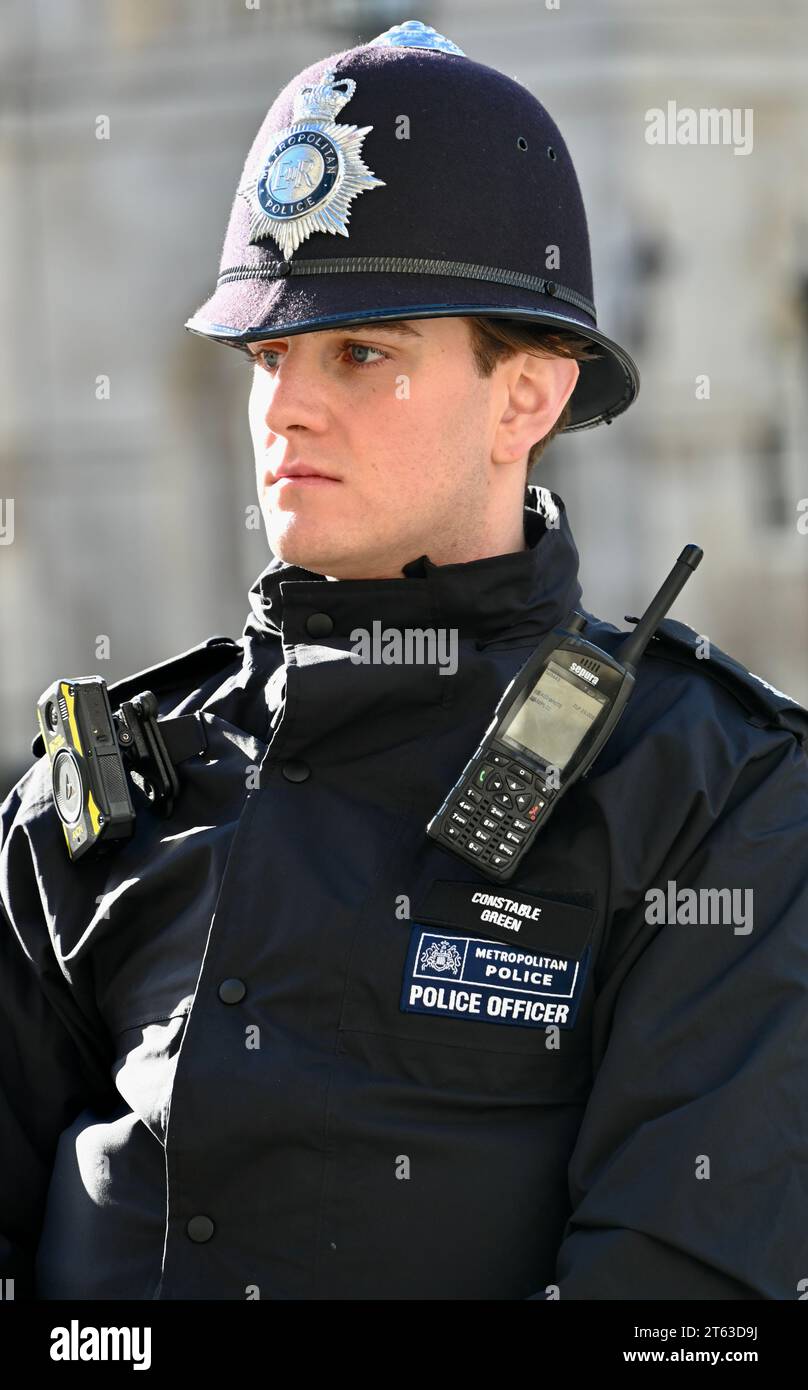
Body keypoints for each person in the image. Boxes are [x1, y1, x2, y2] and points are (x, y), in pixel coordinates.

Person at [1, 20, 807, 1302]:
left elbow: (681, 1299)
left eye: (359, 353)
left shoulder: (707, 791)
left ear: (525, 398)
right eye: (269, 356)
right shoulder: (108, 784)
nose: (285, 408)